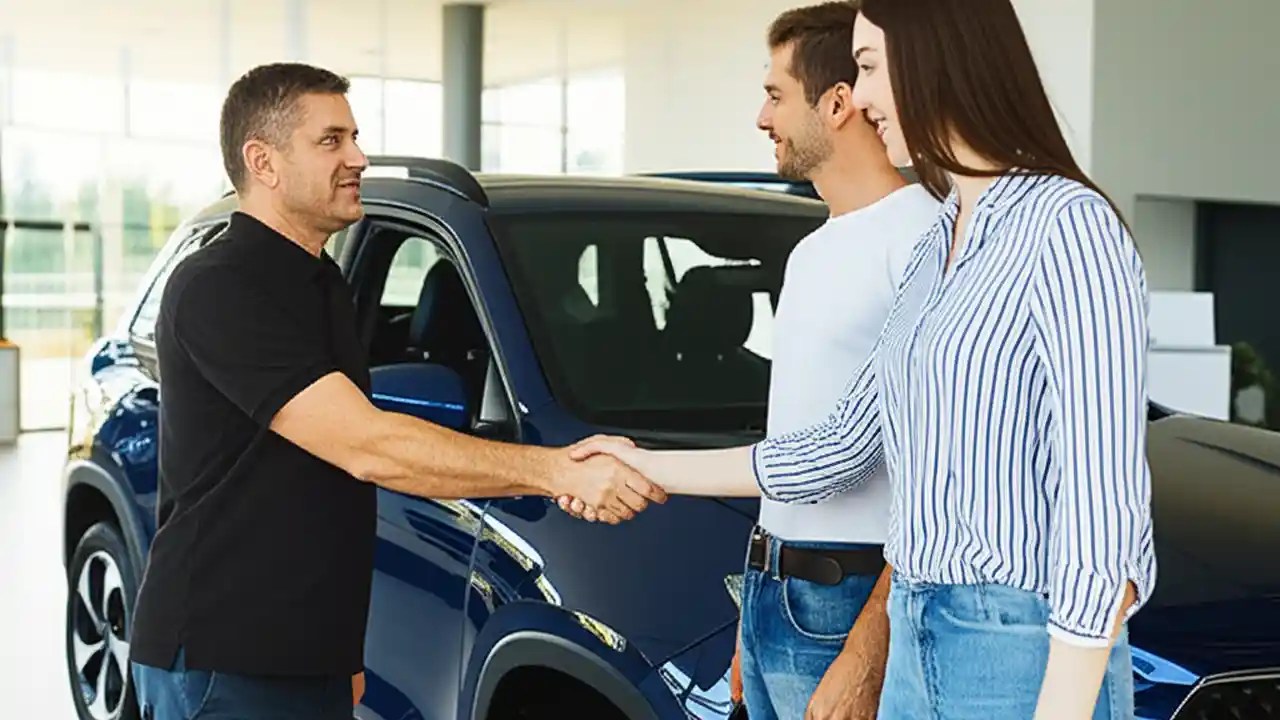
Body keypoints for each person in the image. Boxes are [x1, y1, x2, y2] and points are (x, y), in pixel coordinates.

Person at [569, 0, 1156, 718]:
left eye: (872, 67)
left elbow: (1105, 532)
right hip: (917, 629)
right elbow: (836, 448)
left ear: (937, 58)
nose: (863, 94)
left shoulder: (1068, 226)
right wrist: (642, 463)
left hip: (1018, 646)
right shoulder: (942, 242)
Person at [127, 62, 666, 720]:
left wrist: (342, 654)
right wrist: (557, 470)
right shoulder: (222, 285)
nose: (359, 156)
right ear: (262, 162)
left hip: (306, 656)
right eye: (331, 141)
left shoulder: (319, 282)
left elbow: (321, 497)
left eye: (354, 136)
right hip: (227, 657)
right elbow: (367, 445)